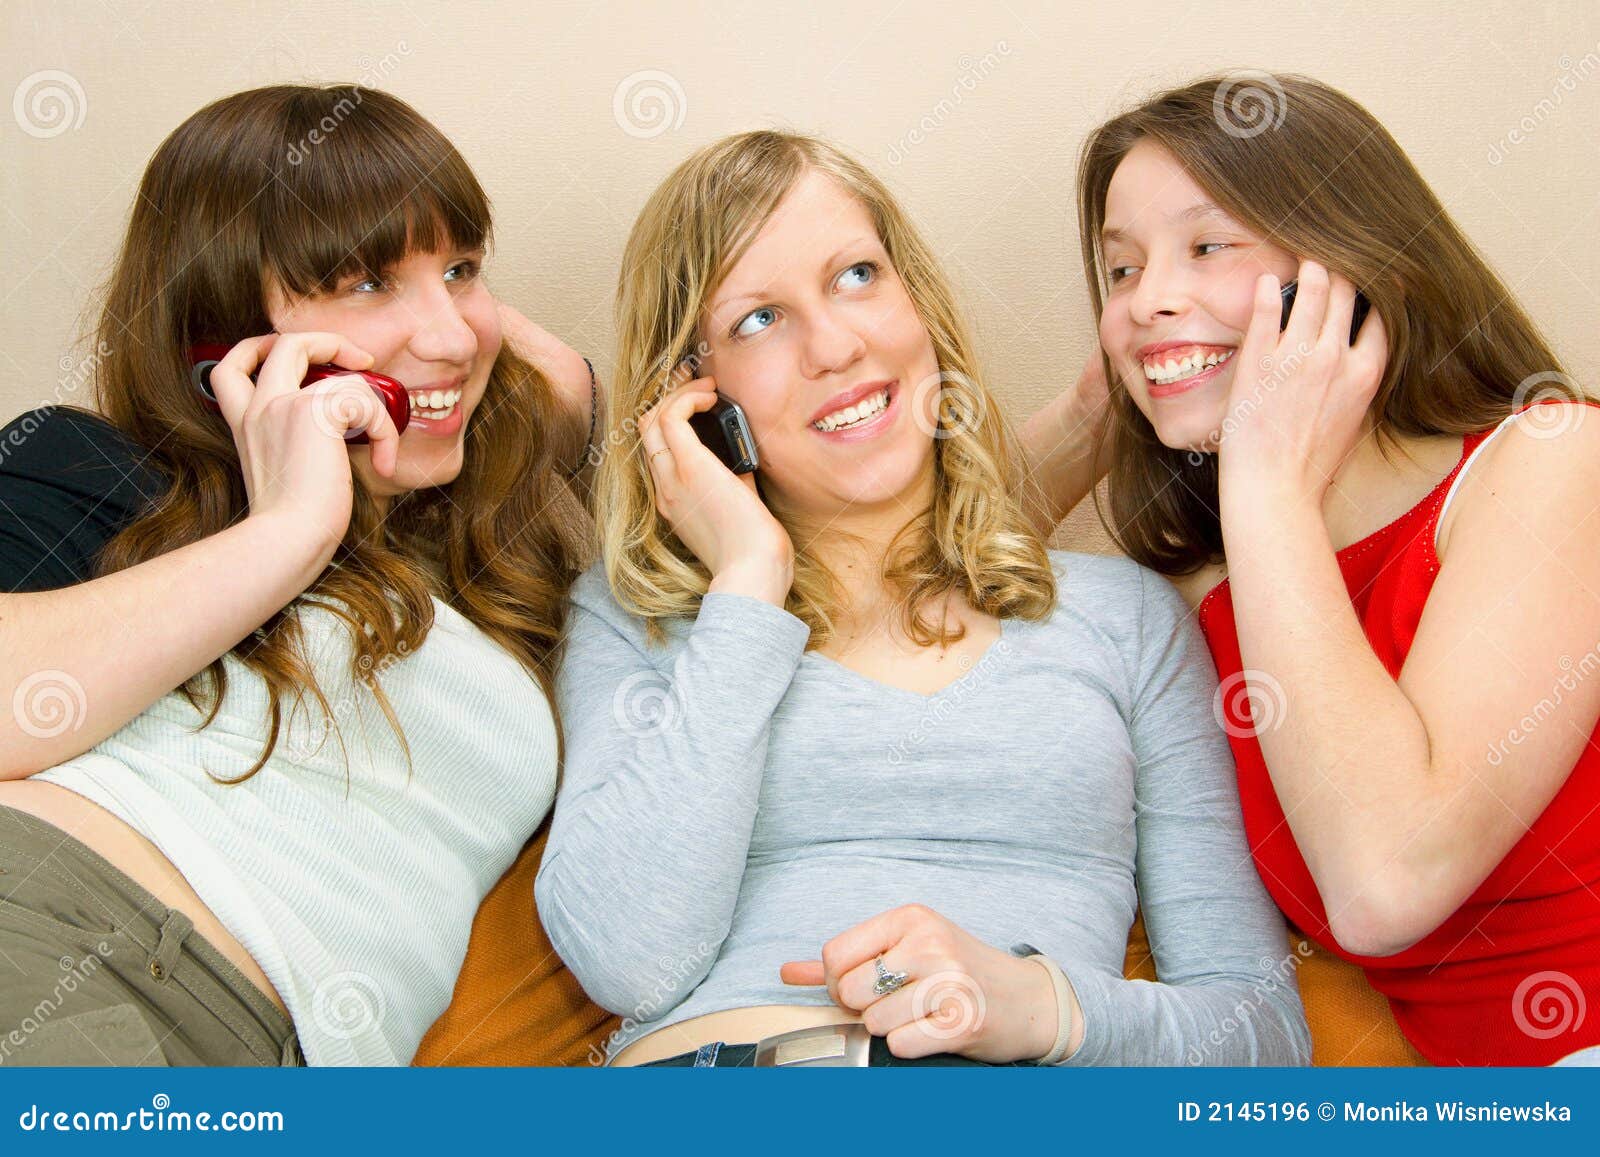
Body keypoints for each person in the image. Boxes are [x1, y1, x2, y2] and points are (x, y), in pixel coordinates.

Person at [535, 130, 1311, 1068]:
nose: (836, 345)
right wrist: (747, 587)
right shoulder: (639, 620)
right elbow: (629, 962)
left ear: (920, 304)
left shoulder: (1127, 620)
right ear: (696, 398)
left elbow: (1260, 1036)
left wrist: (1047, 1008)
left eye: (857, 275)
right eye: (758, 320)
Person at [0, 84, 596, 1066]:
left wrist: (572, 405)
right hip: (50, 928)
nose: (448, 332)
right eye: (368, 282)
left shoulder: (496, 575)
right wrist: (286, 533)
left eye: (462, 269)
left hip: (263, 1056)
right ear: (225, 334)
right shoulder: (99, 473)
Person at [1026, 72, 1600, 1065]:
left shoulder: (1554, 459)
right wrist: (1103, 408)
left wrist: (1266, 481)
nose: (1149, 296)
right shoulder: (1207, 587)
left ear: (1347, 269)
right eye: (1119, 271)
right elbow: (908, 569)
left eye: (1207, 246)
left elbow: (1386, 883)